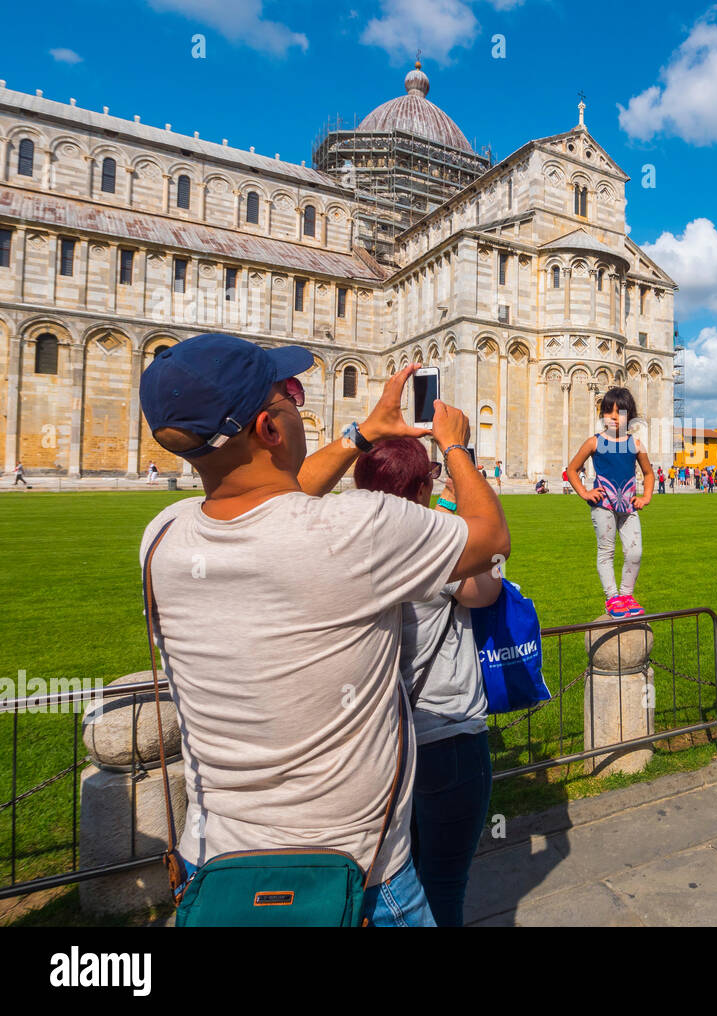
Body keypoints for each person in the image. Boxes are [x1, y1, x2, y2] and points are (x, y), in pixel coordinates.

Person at [138, 332, 510, 927]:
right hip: (355, 877)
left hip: (217, 866)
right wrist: (456, 447)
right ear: (269, 427)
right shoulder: (360, 528)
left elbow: (272, 500)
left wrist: (364, 435)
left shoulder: (162, 538)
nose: (298, 400)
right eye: (288, 395)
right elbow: (489, 537)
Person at [353, 438, 499, 927]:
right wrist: (474, 521)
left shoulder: (342, 542)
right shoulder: (430, 543)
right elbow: (485, 591)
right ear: (422, 486)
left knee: (391, 875)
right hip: (446, 733)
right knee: (443, 883)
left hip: (378, 742)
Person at [566, 386, 653, 618]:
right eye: (608, 411)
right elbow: (572, 470)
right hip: (603, 506)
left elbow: (649, 473)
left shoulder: (635, 444)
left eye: (620, 412)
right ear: (602, 414)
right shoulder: (593, 442)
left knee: (635, 552)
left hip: (629, 507)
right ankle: (612, 597)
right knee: (606, 552)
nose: (614, 417)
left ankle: (626, 594)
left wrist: (646, 497)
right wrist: (585, 493)